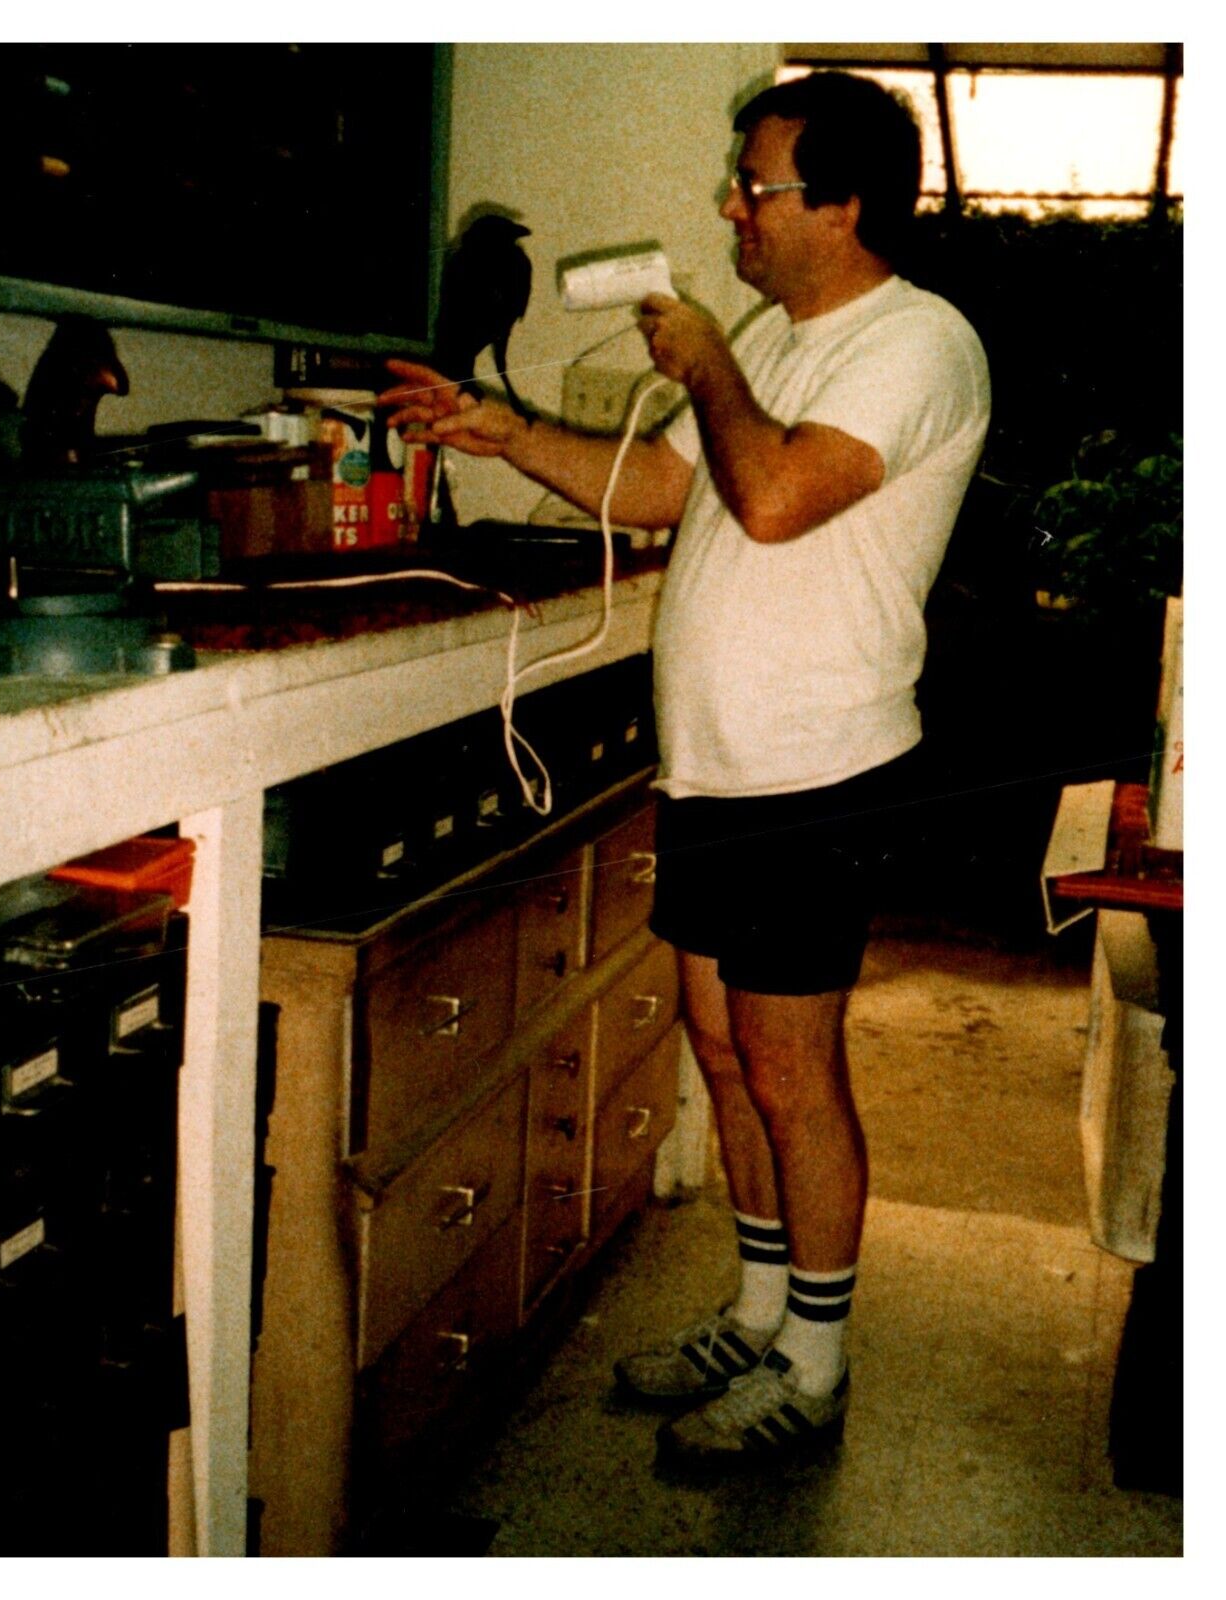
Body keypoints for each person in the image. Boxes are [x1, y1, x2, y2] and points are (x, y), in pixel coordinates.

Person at [378, 70, 991, 1471]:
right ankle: (763, 1312)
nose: (731, 206)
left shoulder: (916, 345)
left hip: (816, 768)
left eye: (756, 186)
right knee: (723, 1055)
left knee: (791, 1072)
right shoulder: (779, 338)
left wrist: (707, 362)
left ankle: (816, 1368)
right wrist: (498, 432)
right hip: (721, 769)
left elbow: (772, 501)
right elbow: (662, 489)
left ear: (840, 204)